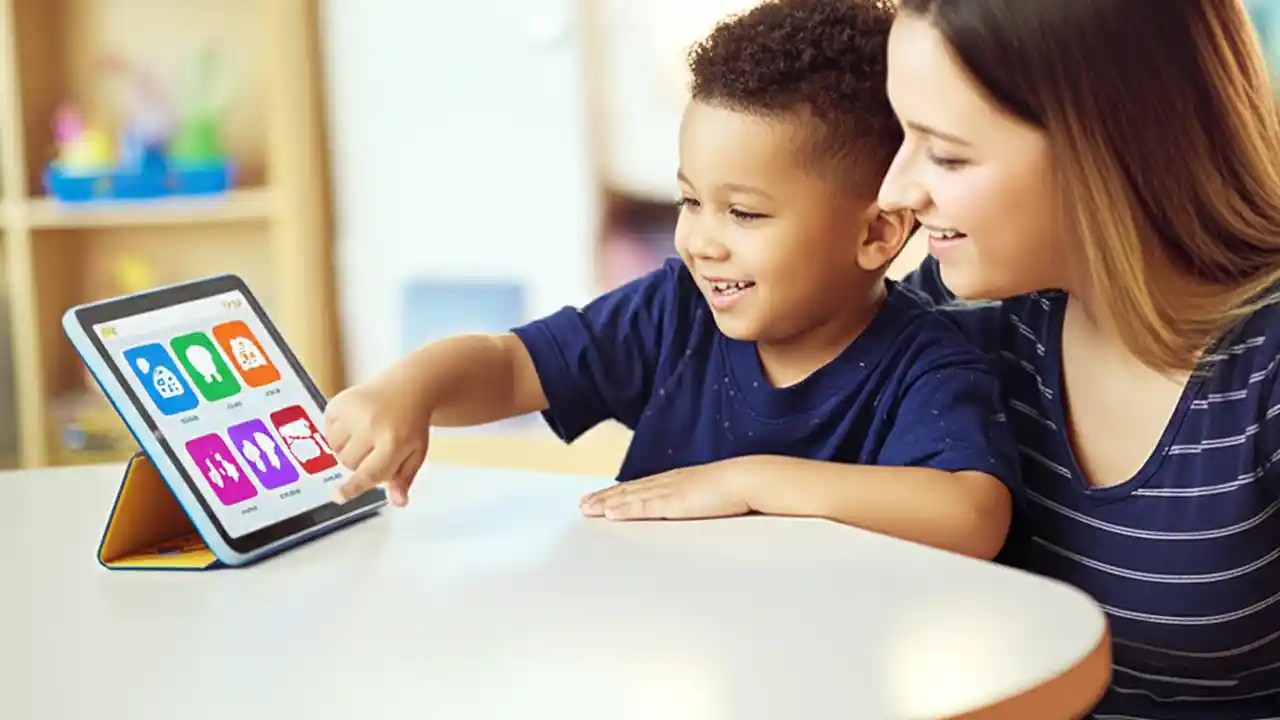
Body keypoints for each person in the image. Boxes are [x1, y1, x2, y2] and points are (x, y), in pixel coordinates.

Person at [324, 0, 1020, 560]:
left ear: (876, 234)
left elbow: (971, 514)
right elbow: (512, 365)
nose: (701, 242)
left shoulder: (926, 363)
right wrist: (410, 389)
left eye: (744, 212)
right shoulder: (673, 312)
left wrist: (749, 482)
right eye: (691, 202)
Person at [879, 1, 1280, 716]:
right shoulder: (971, 313)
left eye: (946, 153)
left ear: (1112, 145)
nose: (897, 191)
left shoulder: (1265, 371)